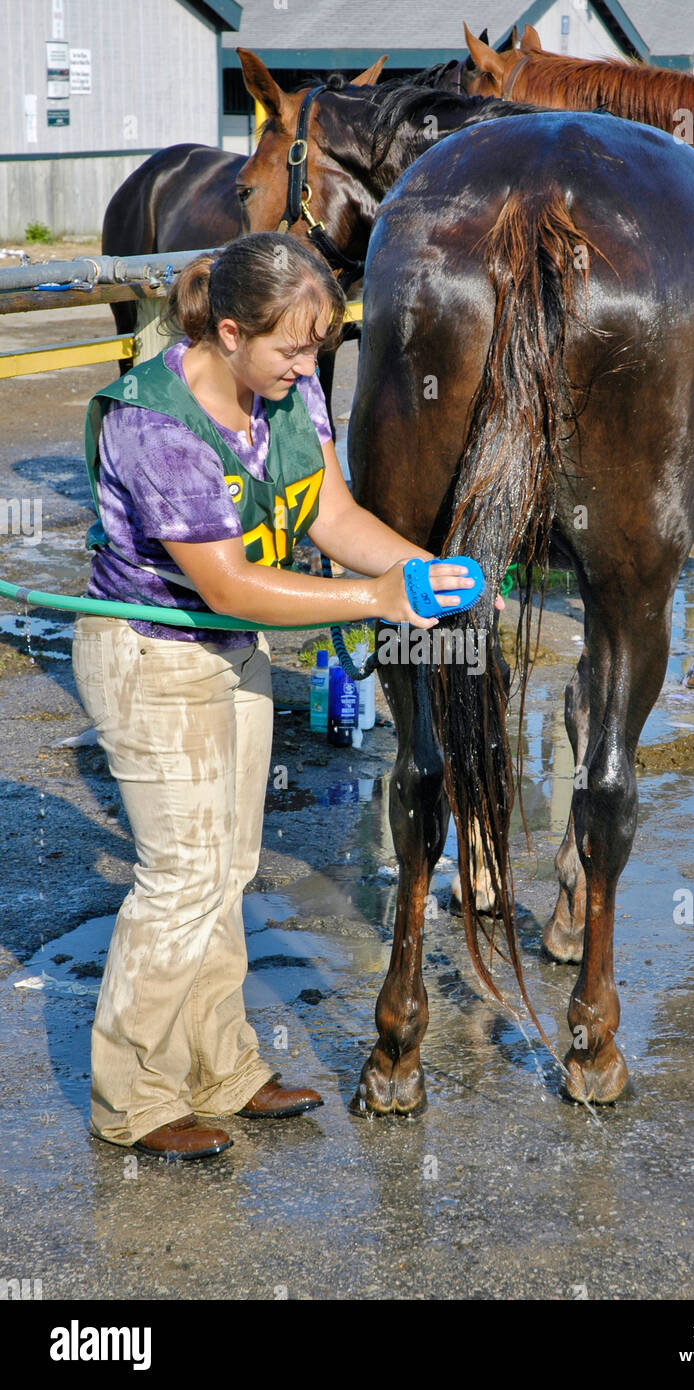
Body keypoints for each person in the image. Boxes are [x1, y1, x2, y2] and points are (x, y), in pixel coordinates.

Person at [72, 231, 476, 1160]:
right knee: (179, 878)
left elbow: (328, 514)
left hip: (231, 652)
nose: (308, 366)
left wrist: (419, 571)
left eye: (318, 348)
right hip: (151, 653)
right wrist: (377, 599)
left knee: (230, 868)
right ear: (227, 332)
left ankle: (218, 1067)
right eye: (292, 349)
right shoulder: (154, 421)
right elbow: (230, 586)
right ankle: (131, 1098)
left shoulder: (288, 394)